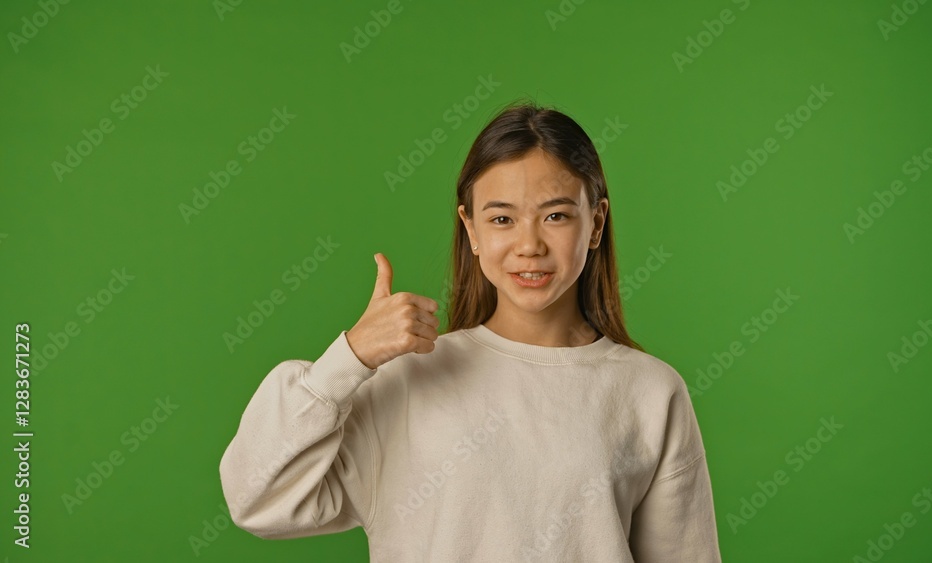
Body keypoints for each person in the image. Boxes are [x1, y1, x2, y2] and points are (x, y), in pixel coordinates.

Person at [219, 100, 722, 562]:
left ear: (595, 223)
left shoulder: (651, 392)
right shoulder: (406, 380)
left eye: (556, 215)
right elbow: (258, 499)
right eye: (502, 218)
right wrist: (349, 358)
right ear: (471, 230)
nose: (529, 244)